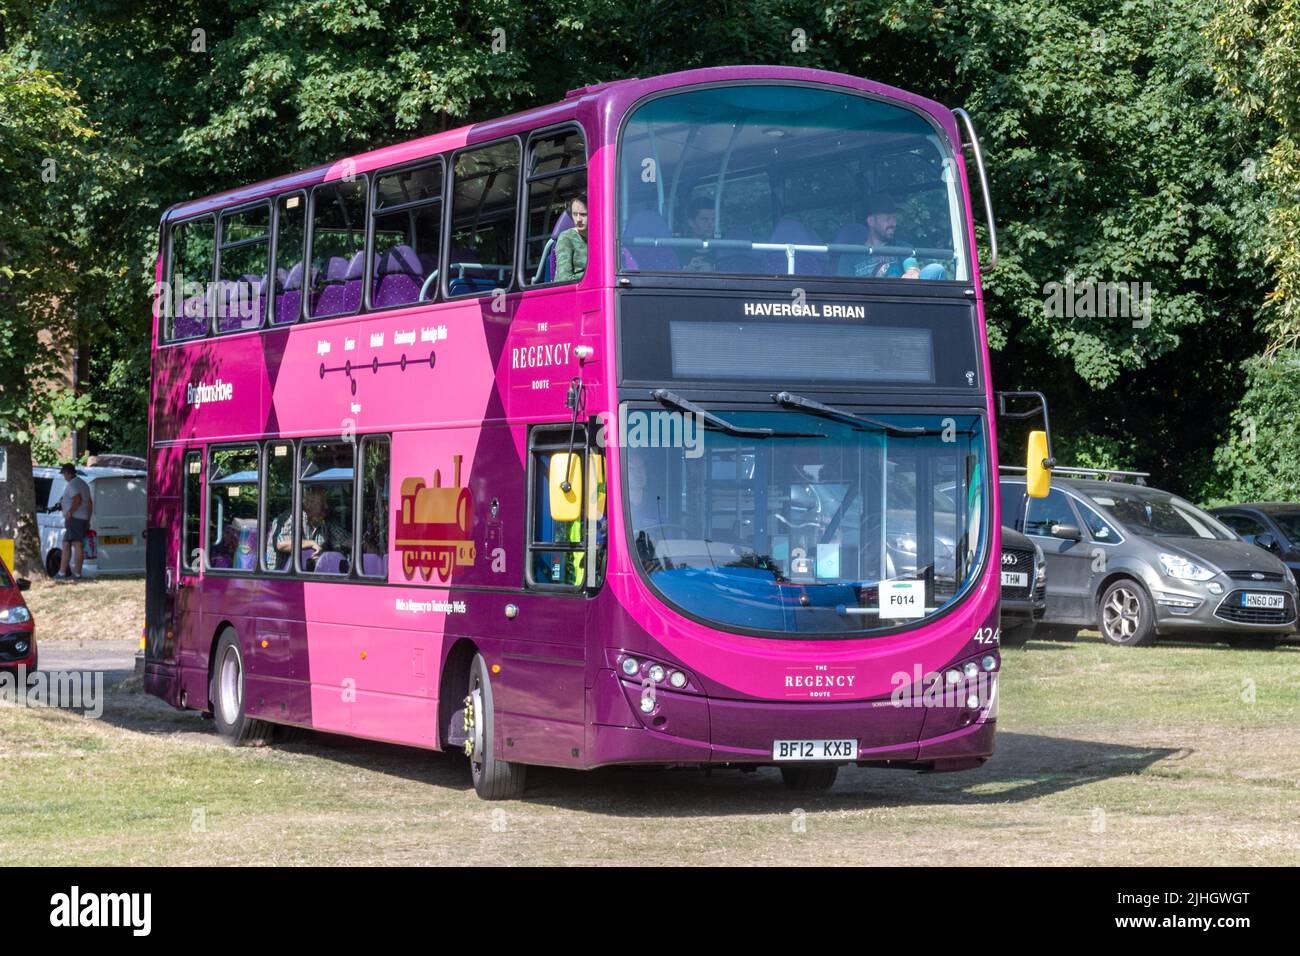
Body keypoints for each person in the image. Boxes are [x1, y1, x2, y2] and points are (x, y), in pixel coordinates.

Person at [837, 193, 944, 280]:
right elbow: (843, 290)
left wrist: (912, 272)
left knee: (935, 270)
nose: (893, 223)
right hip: (866, 303)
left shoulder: (903, 247)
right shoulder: (849, 256)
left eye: (894, 218)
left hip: (899, 300)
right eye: (888, 219)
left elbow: (912, 267)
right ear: (871, 221)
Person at [55, 464, 93, 581]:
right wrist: (88, 519)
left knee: (77, 545)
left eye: (64, 474)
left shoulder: (73, 484)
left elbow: (78, 499)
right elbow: (90, 503)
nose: (64, 476)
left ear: (70, 473)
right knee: (66, 544)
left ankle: (77, 574)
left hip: (75, 518)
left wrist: (69, 512)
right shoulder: (83, 484)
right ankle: (62, 572)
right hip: (81, 518)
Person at [553, 194, 588, 282]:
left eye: (583, 214)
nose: (578, 219)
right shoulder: (566, 238)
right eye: (575, 214)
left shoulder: (600, 237)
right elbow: (564, 279)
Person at [679, 196, 717, 272]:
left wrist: (713, 273)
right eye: (705, 219)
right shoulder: (679, 250)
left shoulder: (723, 250)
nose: (711, 224)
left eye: (713, 219)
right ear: (691, 222)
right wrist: (686, 273)